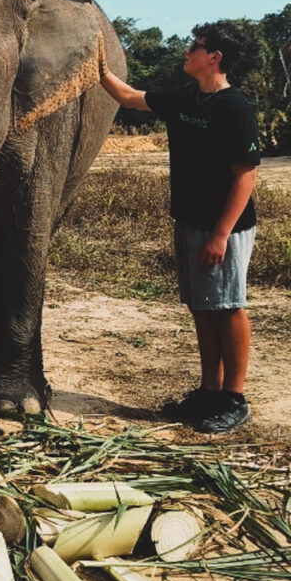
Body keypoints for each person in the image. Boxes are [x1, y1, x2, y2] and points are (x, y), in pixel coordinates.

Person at [98, 23, 260, 433]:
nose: (186, 52)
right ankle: (209, 391)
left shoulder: (235, 107)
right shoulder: (186, 97)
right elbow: (129, 97)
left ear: (214, 57)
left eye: (195, 47)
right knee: (202, 307)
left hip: (226, 227)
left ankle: (234, 398)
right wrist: (96, 64)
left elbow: (245, 176)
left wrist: (221, 234)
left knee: (228, 306)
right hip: (189, 221)